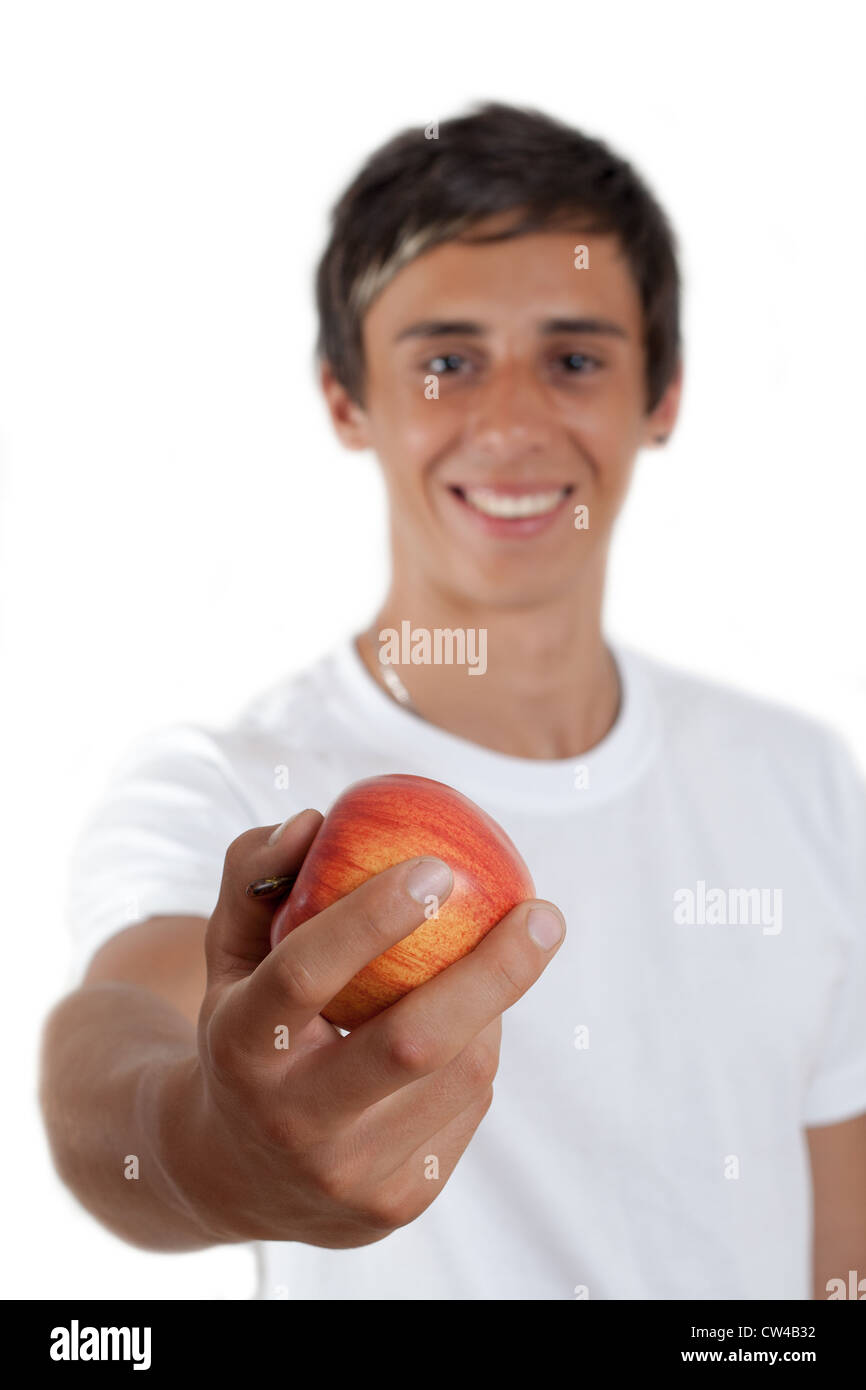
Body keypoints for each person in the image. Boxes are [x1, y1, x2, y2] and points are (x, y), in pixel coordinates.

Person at [40, 101, 866, 1301]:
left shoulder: (798, 779)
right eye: (445, 360)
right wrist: (209, 1148)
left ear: (662, 395)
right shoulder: (225, 787)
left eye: (575, 358)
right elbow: (111, 1047)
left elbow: (835, 1246)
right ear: (344, 399)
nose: (514, 423)